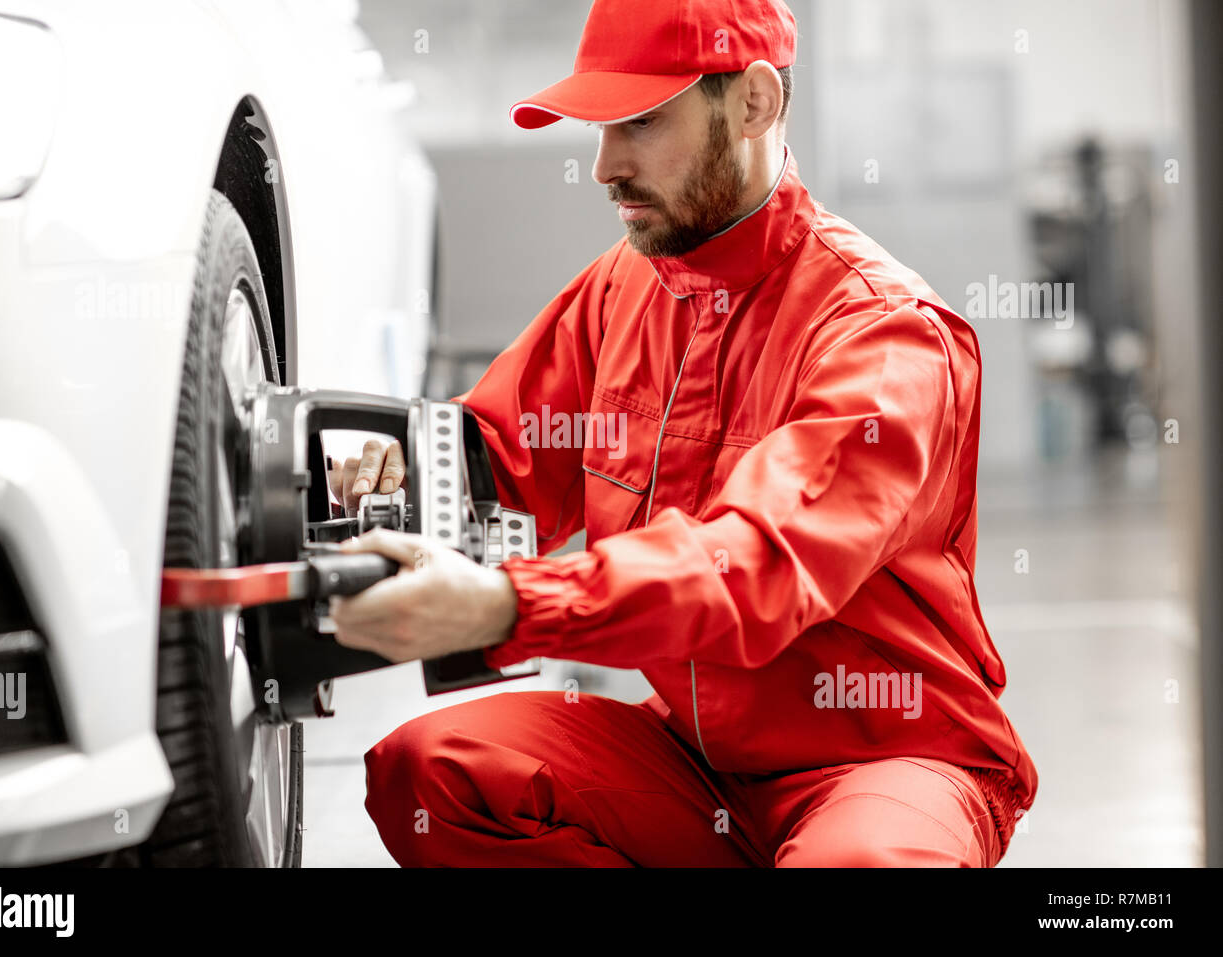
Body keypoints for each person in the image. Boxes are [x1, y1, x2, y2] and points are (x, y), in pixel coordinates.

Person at [327, 0, 1038, 867]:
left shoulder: (883, 337)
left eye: (639, 122)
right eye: (597, 126)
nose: (603, 166)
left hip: (887, 759)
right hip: (701, 766)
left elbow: (756, 566)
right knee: (436, 772)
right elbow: (495, 454)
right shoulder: (624, 289)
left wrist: (511, 604)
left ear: (754, 104)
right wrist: (376, 478)